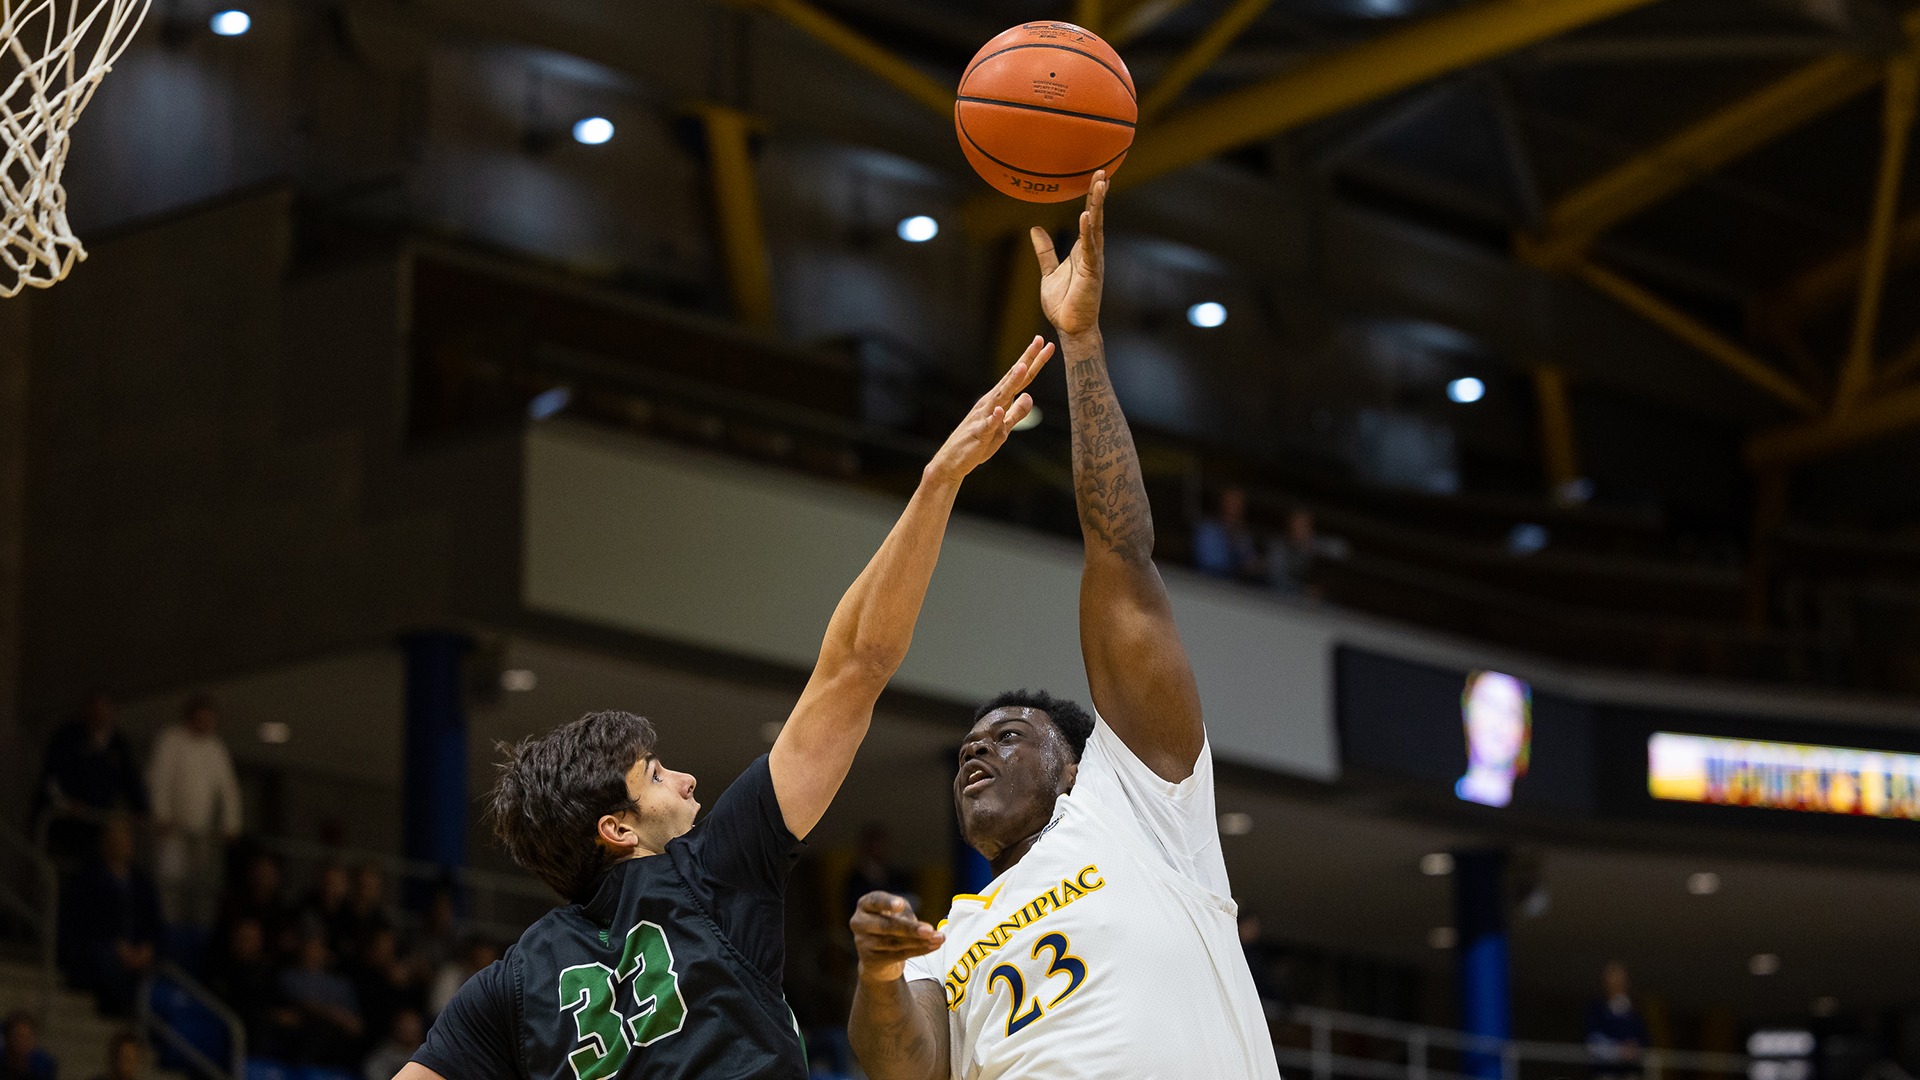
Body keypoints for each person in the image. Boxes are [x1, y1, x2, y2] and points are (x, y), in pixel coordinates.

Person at [397, 349, 1053, 1080]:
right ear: (616, 828)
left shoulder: (509, 986)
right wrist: (938, 481)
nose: (686, 782)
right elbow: (858, 665)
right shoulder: (710, 869)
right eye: (654, 776)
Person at [847, 172, 1282, 1080]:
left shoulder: (1140, 810)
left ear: (1077, 766)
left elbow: (1120, 556)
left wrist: (1080, 341)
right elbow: (904, 1067)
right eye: (969, 745)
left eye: (1008, 736)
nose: (976, 753)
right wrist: (882, 975)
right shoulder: (948, 938)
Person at [148, 694, 243, 929]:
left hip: (202, 832)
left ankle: (198, 927)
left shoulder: (215, 749)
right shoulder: (171, 739)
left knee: (200, 884)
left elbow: (228, 790)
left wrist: (231, 824)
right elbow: (159, 778)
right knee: (170, 879)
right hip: (174, 829)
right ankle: (166, 924)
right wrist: (161, 814)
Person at [57, 817, 163, 1017]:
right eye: (114, 840)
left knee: (160, 971)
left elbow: (154, 922)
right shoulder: (87, 877)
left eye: (123, 841)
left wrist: (147, 947)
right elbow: (82, 921)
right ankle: (123, 1012)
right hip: (99, 948)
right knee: (108, 962)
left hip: (136, 950)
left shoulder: (141, 882)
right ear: (104, 843)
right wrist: (116, 945)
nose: (119, 846)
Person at [32, 695, 149, 862]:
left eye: (105, 711)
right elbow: (51, 778)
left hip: (96, 821)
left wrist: (141, 809)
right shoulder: (68, 736)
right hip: (64, 822)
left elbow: (130, 778)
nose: (100, 715)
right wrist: (67, 803)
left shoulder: (118, 743)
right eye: (96, 710)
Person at [1586, 961, 1649, 1080]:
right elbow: (1594, 1041)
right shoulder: (1597, 1009)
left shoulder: (1636, 1010)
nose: (1616, 982)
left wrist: (1635, 1048)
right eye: (1612, 977)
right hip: (1606, 1072)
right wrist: (1618, 1052)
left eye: (1620, 977)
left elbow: (1643, 1039)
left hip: (1631, 1071)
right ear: (1605, 981)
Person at [842, 824, 915, 922]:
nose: (878, 849)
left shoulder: (897, 876)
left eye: (882, 844)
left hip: (897, 922)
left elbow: (910, 900)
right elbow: (853, 908)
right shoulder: (855, 878)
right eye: (874, 844)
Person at [1192, 486, 1265, 583]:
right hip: (1204, 584)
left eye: (1238, 504)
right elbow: (1210, 564)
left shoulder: (1243, 535)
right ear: (1222, 503)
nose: (1234, 507)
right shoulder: (1207, 530)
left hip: (1234, 588)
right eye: (1231, 502)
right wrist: (1240, 567)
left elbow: (1251, 561)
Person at [363, 1011, 423, 1080]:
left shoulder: (429, 1054)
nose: (410, 1029)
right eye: (405, 1024)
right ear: (395, 1027)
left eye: (414, 1024)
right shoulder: (381, 1058)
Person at [0, 1013, 56, 1080]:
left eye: (27, 1038)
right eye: (18, 1037)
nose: (23, 1042)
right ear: (7, 1038)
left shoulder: (43, 1066)